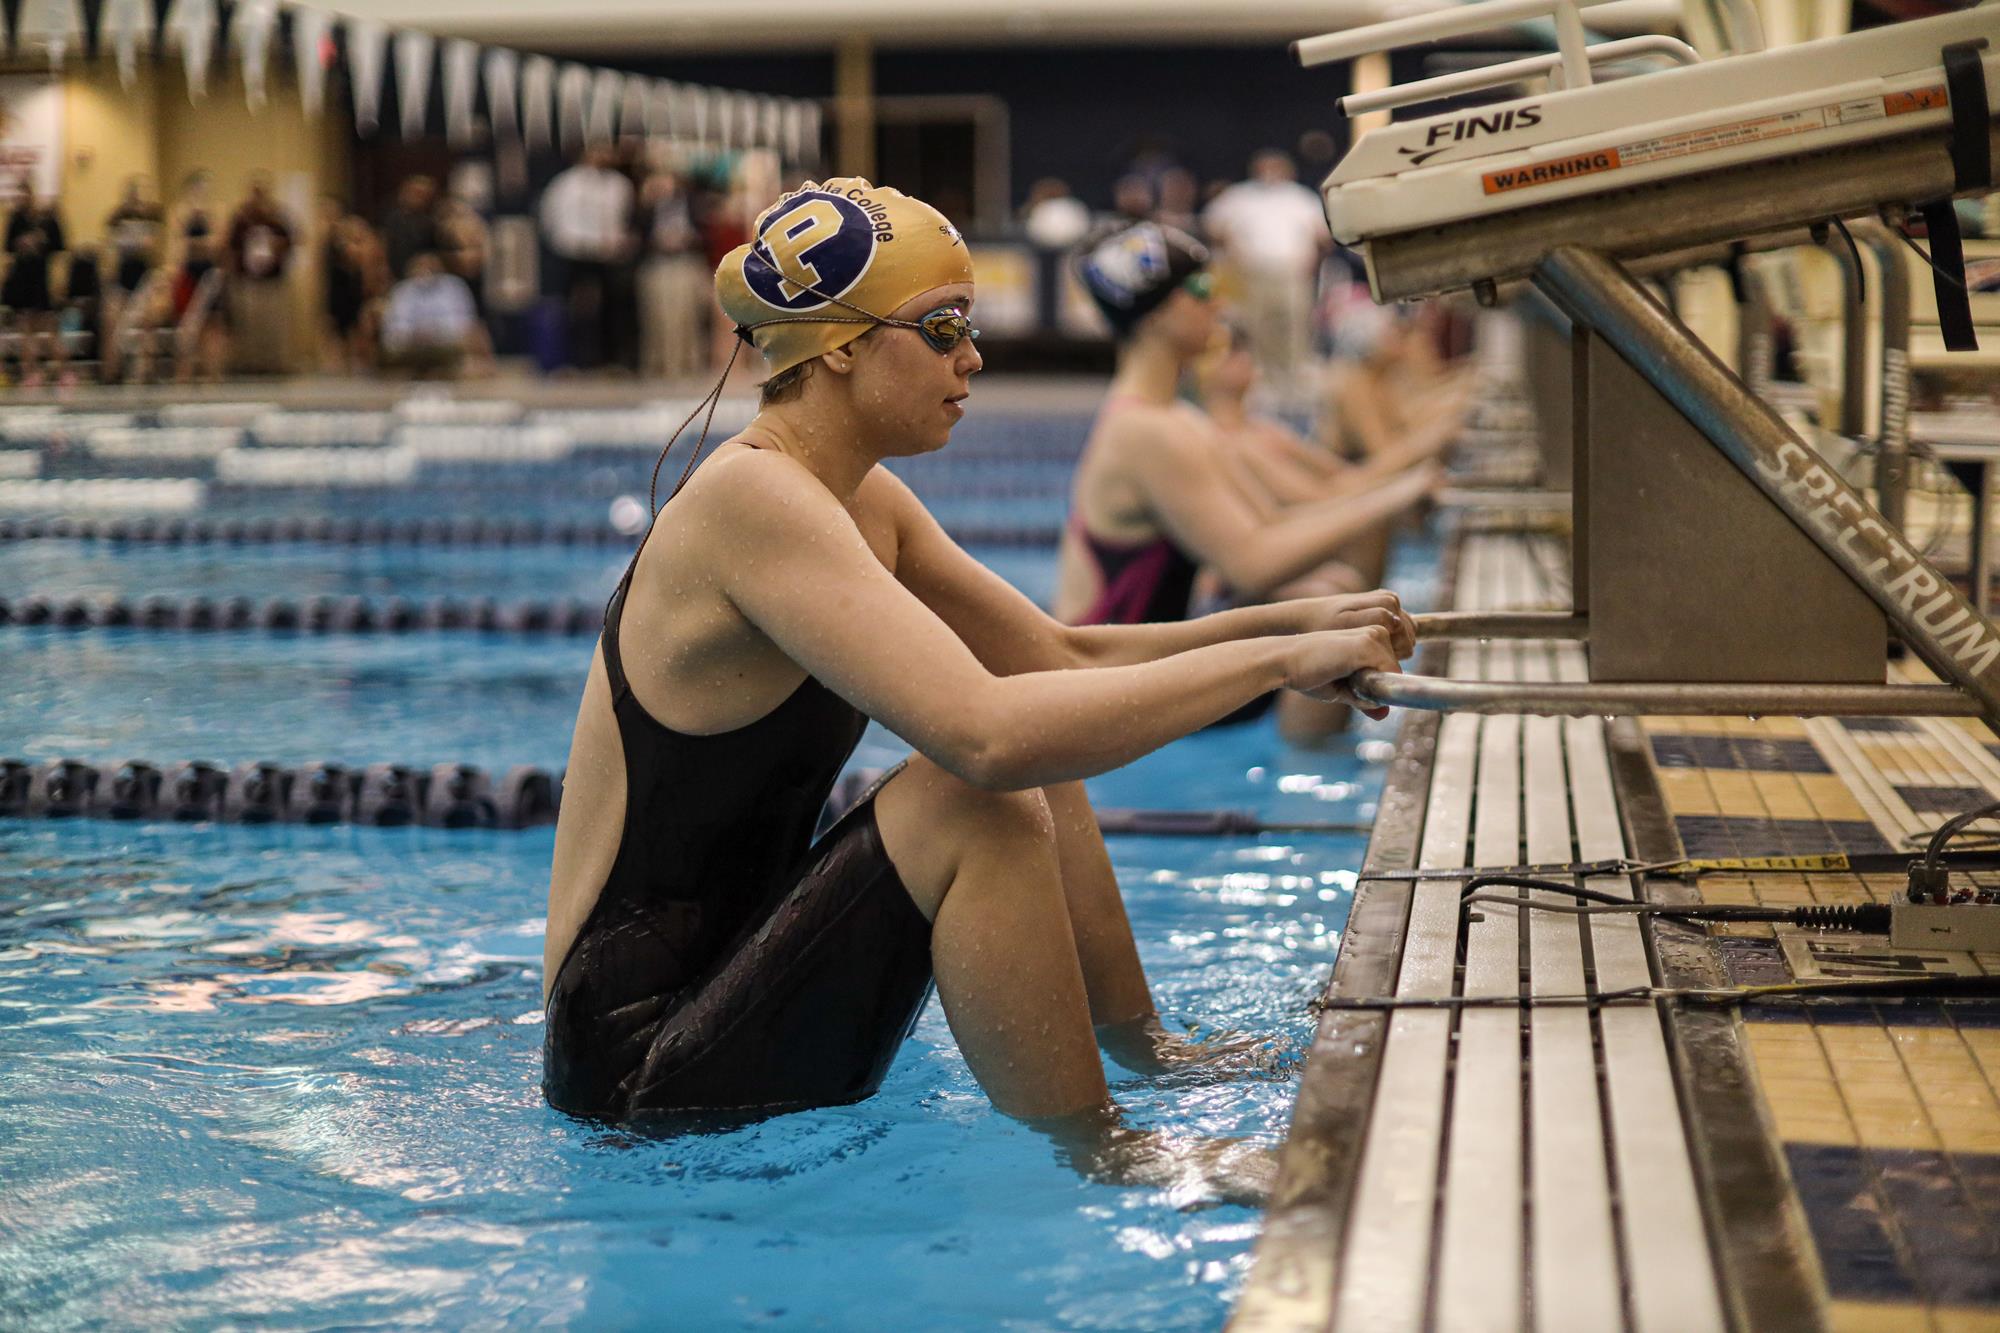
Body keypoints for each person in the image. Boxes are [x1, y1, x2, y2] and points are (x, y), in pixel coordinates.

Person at [541, 178, 1413, 1197]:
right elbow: (988, 741)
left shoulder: (857, 497)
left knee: (1041, 728)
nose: (973, 357)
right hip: (636, 1065)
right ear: (839, 346)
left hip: (733, 976)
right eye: (941, 326)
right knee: (983, 784)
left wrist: (1294, 624)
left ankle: (1142, 1048)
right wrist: (1271, 663)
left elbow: (1058, 657)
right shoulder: (750, 498)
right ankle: (1106, 1150)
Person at [1053, 221, 1434, 637]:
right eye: (1200, 289)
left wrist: (1391, 491)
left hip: (1142, 662)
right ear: (1154, 314)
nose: (1217, 303)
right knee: (1334, 616)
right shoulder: (1144, 430)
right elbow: (1252, 564)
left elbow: (1269, 523)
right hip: (1107, 681)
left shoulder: (1176, 418)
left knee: (1334, 596)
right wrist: (1394, 496)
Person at [1203, 149, 1330, 393]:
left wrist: (1312, 259)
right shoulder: (1240, 196)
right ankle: (1259, 374)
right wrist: (1232, 252)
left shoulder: (1299, 198)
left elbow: (1322, 235)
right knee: (1257, 324)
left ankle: (1294, 374)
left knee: (1293, 322)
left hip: (1291, 272)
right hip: (1254, 272)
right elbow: (1213, 226)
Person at [539, 142, 635, 371]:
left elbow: (622, 219)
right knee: (576, 307)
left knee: (609, 308)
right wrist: (570, 243)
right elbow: (551, 218)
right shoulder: (566, 184)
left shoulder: (619, 185)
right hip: (573, 254)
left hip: (607, 255)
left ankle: (607, 359)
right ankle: (572, 360)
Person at [636, 168, 709, 379]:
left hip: (684, 262)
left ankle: (688, 362)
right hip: (658, 263)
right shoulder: (647, 209)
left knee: (686, 316)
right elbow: (636, 235)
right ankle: (658, 363)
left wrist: (685, 238)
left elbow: (704, 234)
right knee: (657, 316)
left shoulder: (691, 206)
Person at [224, 173, 293, 374]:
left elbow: (293, 240)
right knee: (249, 324)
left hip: (273, 280)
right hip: (247, 279)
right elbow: (230, 246)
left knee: (273, 324)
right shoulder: (241, 218)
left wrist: (275, 246)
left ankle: (273, 362)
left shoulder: (277, 217)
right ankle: (249, 362)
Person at [4, 180, 67, 387]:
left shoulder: (46, 219)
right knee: (25, 328)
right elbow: (9, 249)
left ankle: (62, 370)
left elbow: (59, 249)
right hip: (22, 278)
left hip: (41, 279)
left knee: (49, 327)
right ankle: (29, 372)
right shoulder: (15, 220)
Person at [102, 176, 164, 382]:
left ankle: (147, 370)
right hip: (122, 275)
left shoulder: (153, 218)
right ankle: (113, 371)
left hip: (143, 275)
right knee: (113, 322)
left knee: (147, 322)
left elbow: (153, 250)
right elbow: (109, 248)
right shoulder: (117, 218)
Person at [379, 250, 478, 377]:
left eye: (430, 266)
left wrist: (435, 333)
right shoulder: (402, 290)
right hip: (410, 348)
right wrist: (414, 334)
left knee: (464, 345)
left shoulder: (454, 286)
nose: (425, 271)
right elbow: (393, 327)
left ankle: (442, 371)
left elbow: (464, 324)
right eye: (420, 266)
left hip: (444, 346)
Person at [169, 170, 227, 382]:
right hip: (188, 274)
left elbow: (217, 244)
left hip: (209, 274)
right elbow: (179, 246)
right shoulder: (180, 212)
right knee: (187, 325)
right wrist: (199, 244)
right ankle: (184, 374)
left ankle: (213, 373)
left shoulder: (214, 211)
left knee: (213, 324)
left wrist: (195, 245)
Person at [381, 175, 439, 283]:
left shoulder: (430, 224)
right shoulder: (390, 219)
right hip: (392, 276)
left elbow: (433, 254)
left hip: (420, 278)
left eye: (424, 195)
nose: (419, 198)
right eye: (416, 193)